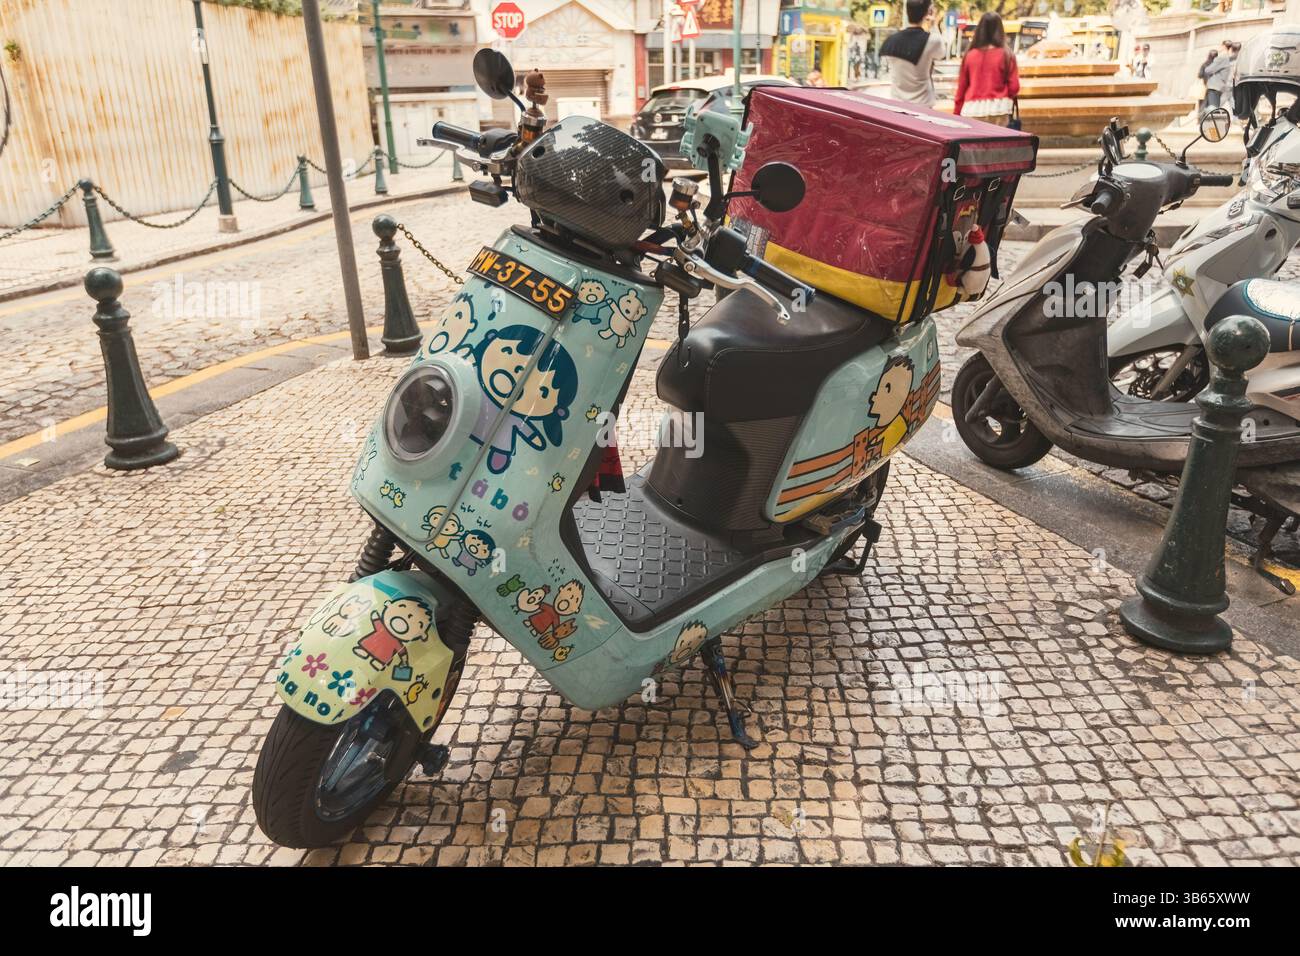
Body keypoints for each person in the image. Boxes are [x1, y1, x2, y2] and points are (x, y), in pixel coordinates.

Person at [953, 12, 1020, 127]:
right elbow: (1014, 87)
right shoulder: (1006, 54)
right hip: (999, 109)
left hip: (972, 110)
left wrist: (956, 114)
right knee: (998, 144)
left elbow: (961, 89)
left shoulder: (970, 55)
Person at [880, 0, 946, 108]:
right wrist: (934, 24)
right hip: (923, 104)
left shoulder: (891, 41)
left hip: (897, 103)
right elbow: (941, 54)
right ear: (927, 13)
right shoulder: (932, 40)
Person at [1204, 40, 1236, 109]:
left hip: (1215, 86)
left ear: (1224, 46)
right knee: (1212, 109)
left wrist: (1207, 67)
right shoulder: (1227, 57)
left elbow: (1208, 70)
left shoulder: (1221, 57)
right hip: (1219, 86)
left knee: (1212, 109)